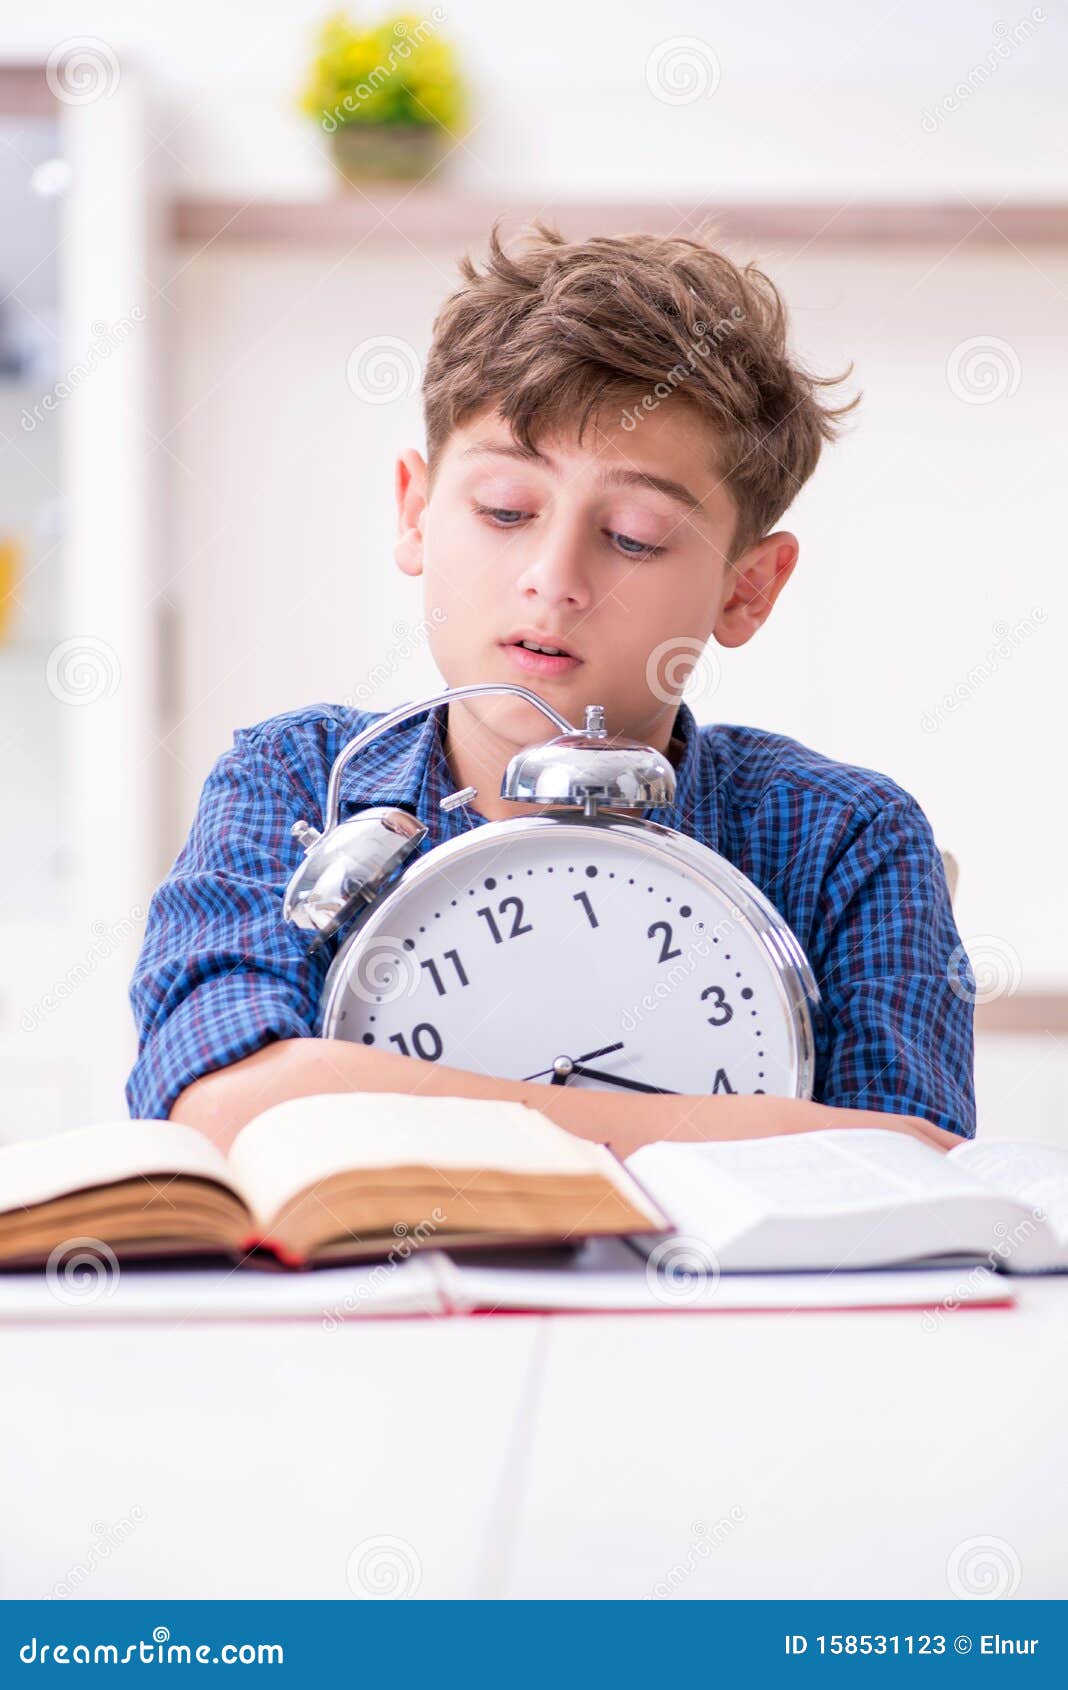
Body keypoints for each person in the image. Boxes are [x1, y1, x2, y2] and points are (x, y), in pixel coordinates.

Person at [127, 219, 973, 1155]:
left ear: (748, 588)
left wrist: (359, 1096)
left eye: (637, 536)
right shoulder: (295, 776)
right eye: (505, 511)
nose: (553, 577)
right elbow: (216, 1099)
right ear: (415, 511)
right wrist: (765, 1131)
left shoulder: (843, 840)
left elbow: (909, 1178)